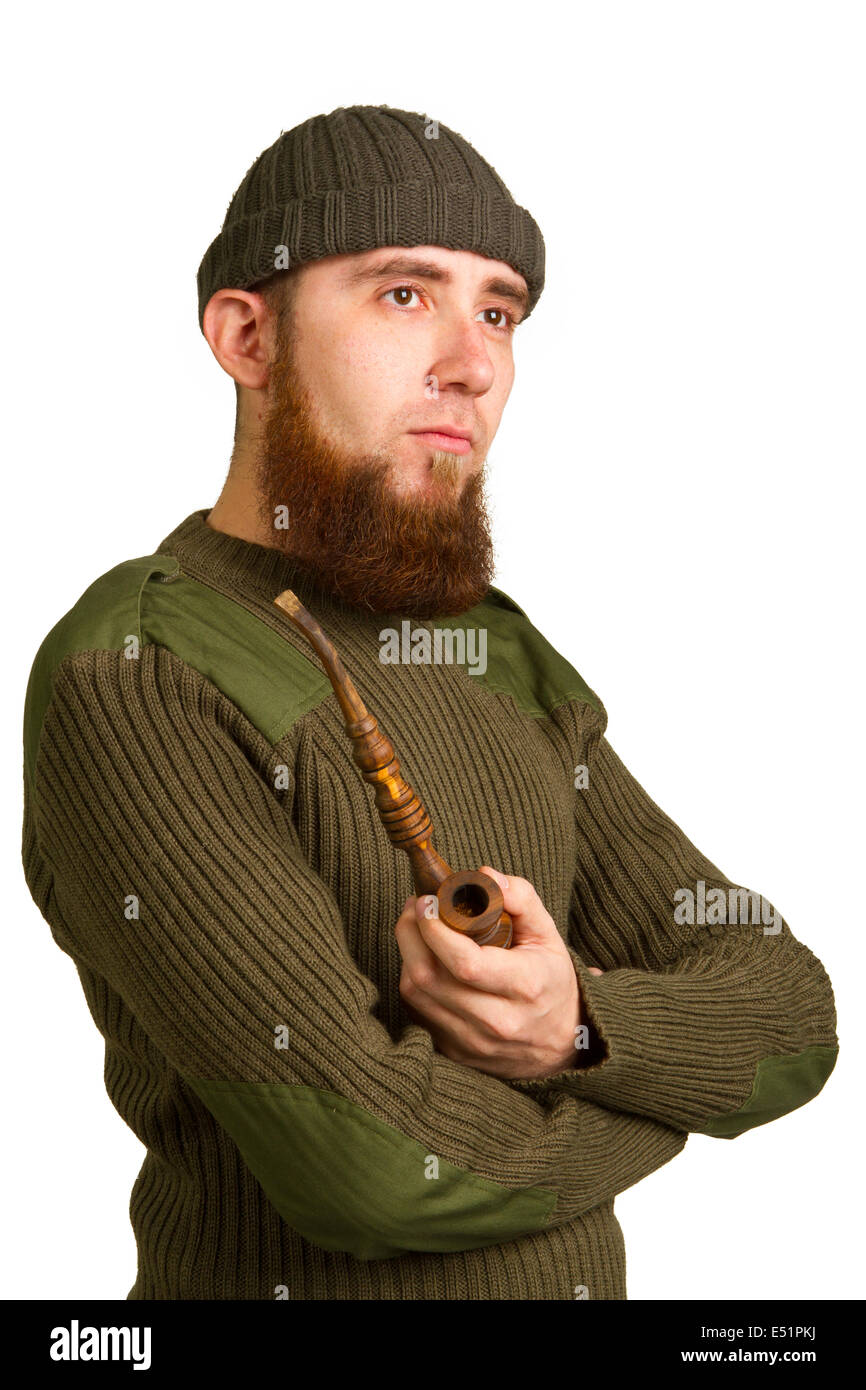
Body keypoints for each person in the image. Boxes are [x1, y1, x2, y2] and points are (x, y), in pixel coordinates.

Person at [21, 104, 838, 1301]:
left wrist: (577, 1034)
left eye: (497, 309)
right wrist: (657, 1104)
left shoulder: (491, 652)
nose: (473, 359)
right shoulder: (143, 667)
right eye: (404, 294)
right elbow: (373, 1168)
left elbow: (785, 1004)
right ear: (246, 336)